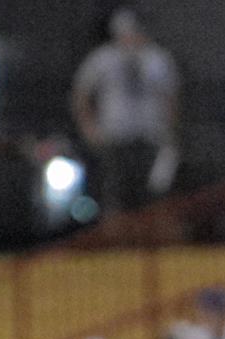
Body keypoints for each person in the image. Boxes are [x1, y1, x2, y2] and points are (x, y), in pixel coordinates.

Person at [70, 9, 179, 216]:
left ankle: (147, 233)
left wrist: (169, 134)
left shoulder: (157, 59)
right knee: (114, 192)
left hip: (149, 136)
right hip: (114, 137)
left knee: (151, 192)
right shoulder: (102, 58)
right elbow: (81, 94)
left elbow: (170, 98)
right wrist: (89, 128)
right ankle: (114, 232)